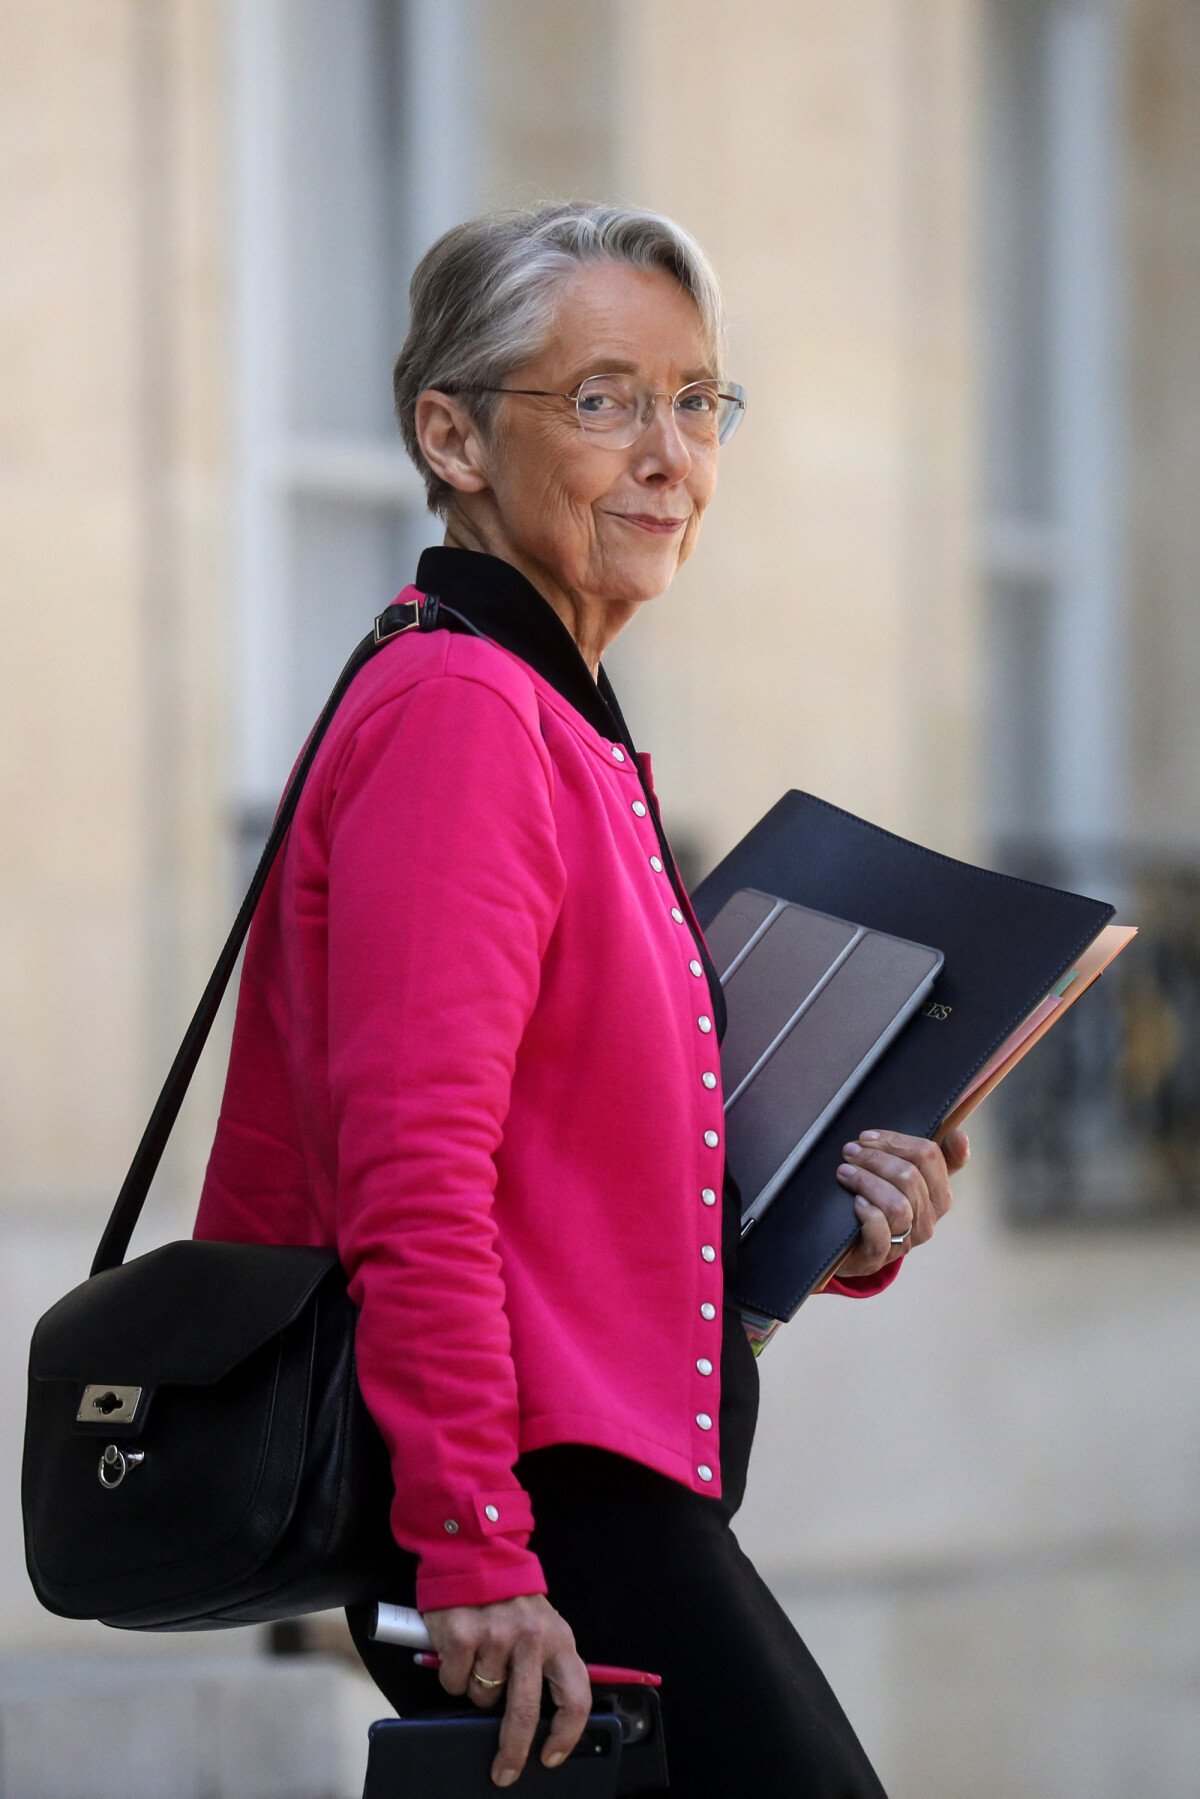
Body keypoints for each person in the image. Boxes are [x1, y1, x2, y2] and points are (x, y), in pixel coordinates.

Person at [195, 202, 968, 1795]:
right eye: (606, 399)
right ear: (452, 435)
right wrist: (475, 1544)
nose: (672, 454)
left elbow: (576, 1179)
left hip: (585, 1491)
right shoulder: (468, 713)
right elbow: (416, 1166)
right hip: (540, 1508)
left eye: (698, 401)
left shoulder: (564, 721)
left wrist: (838, 1218)